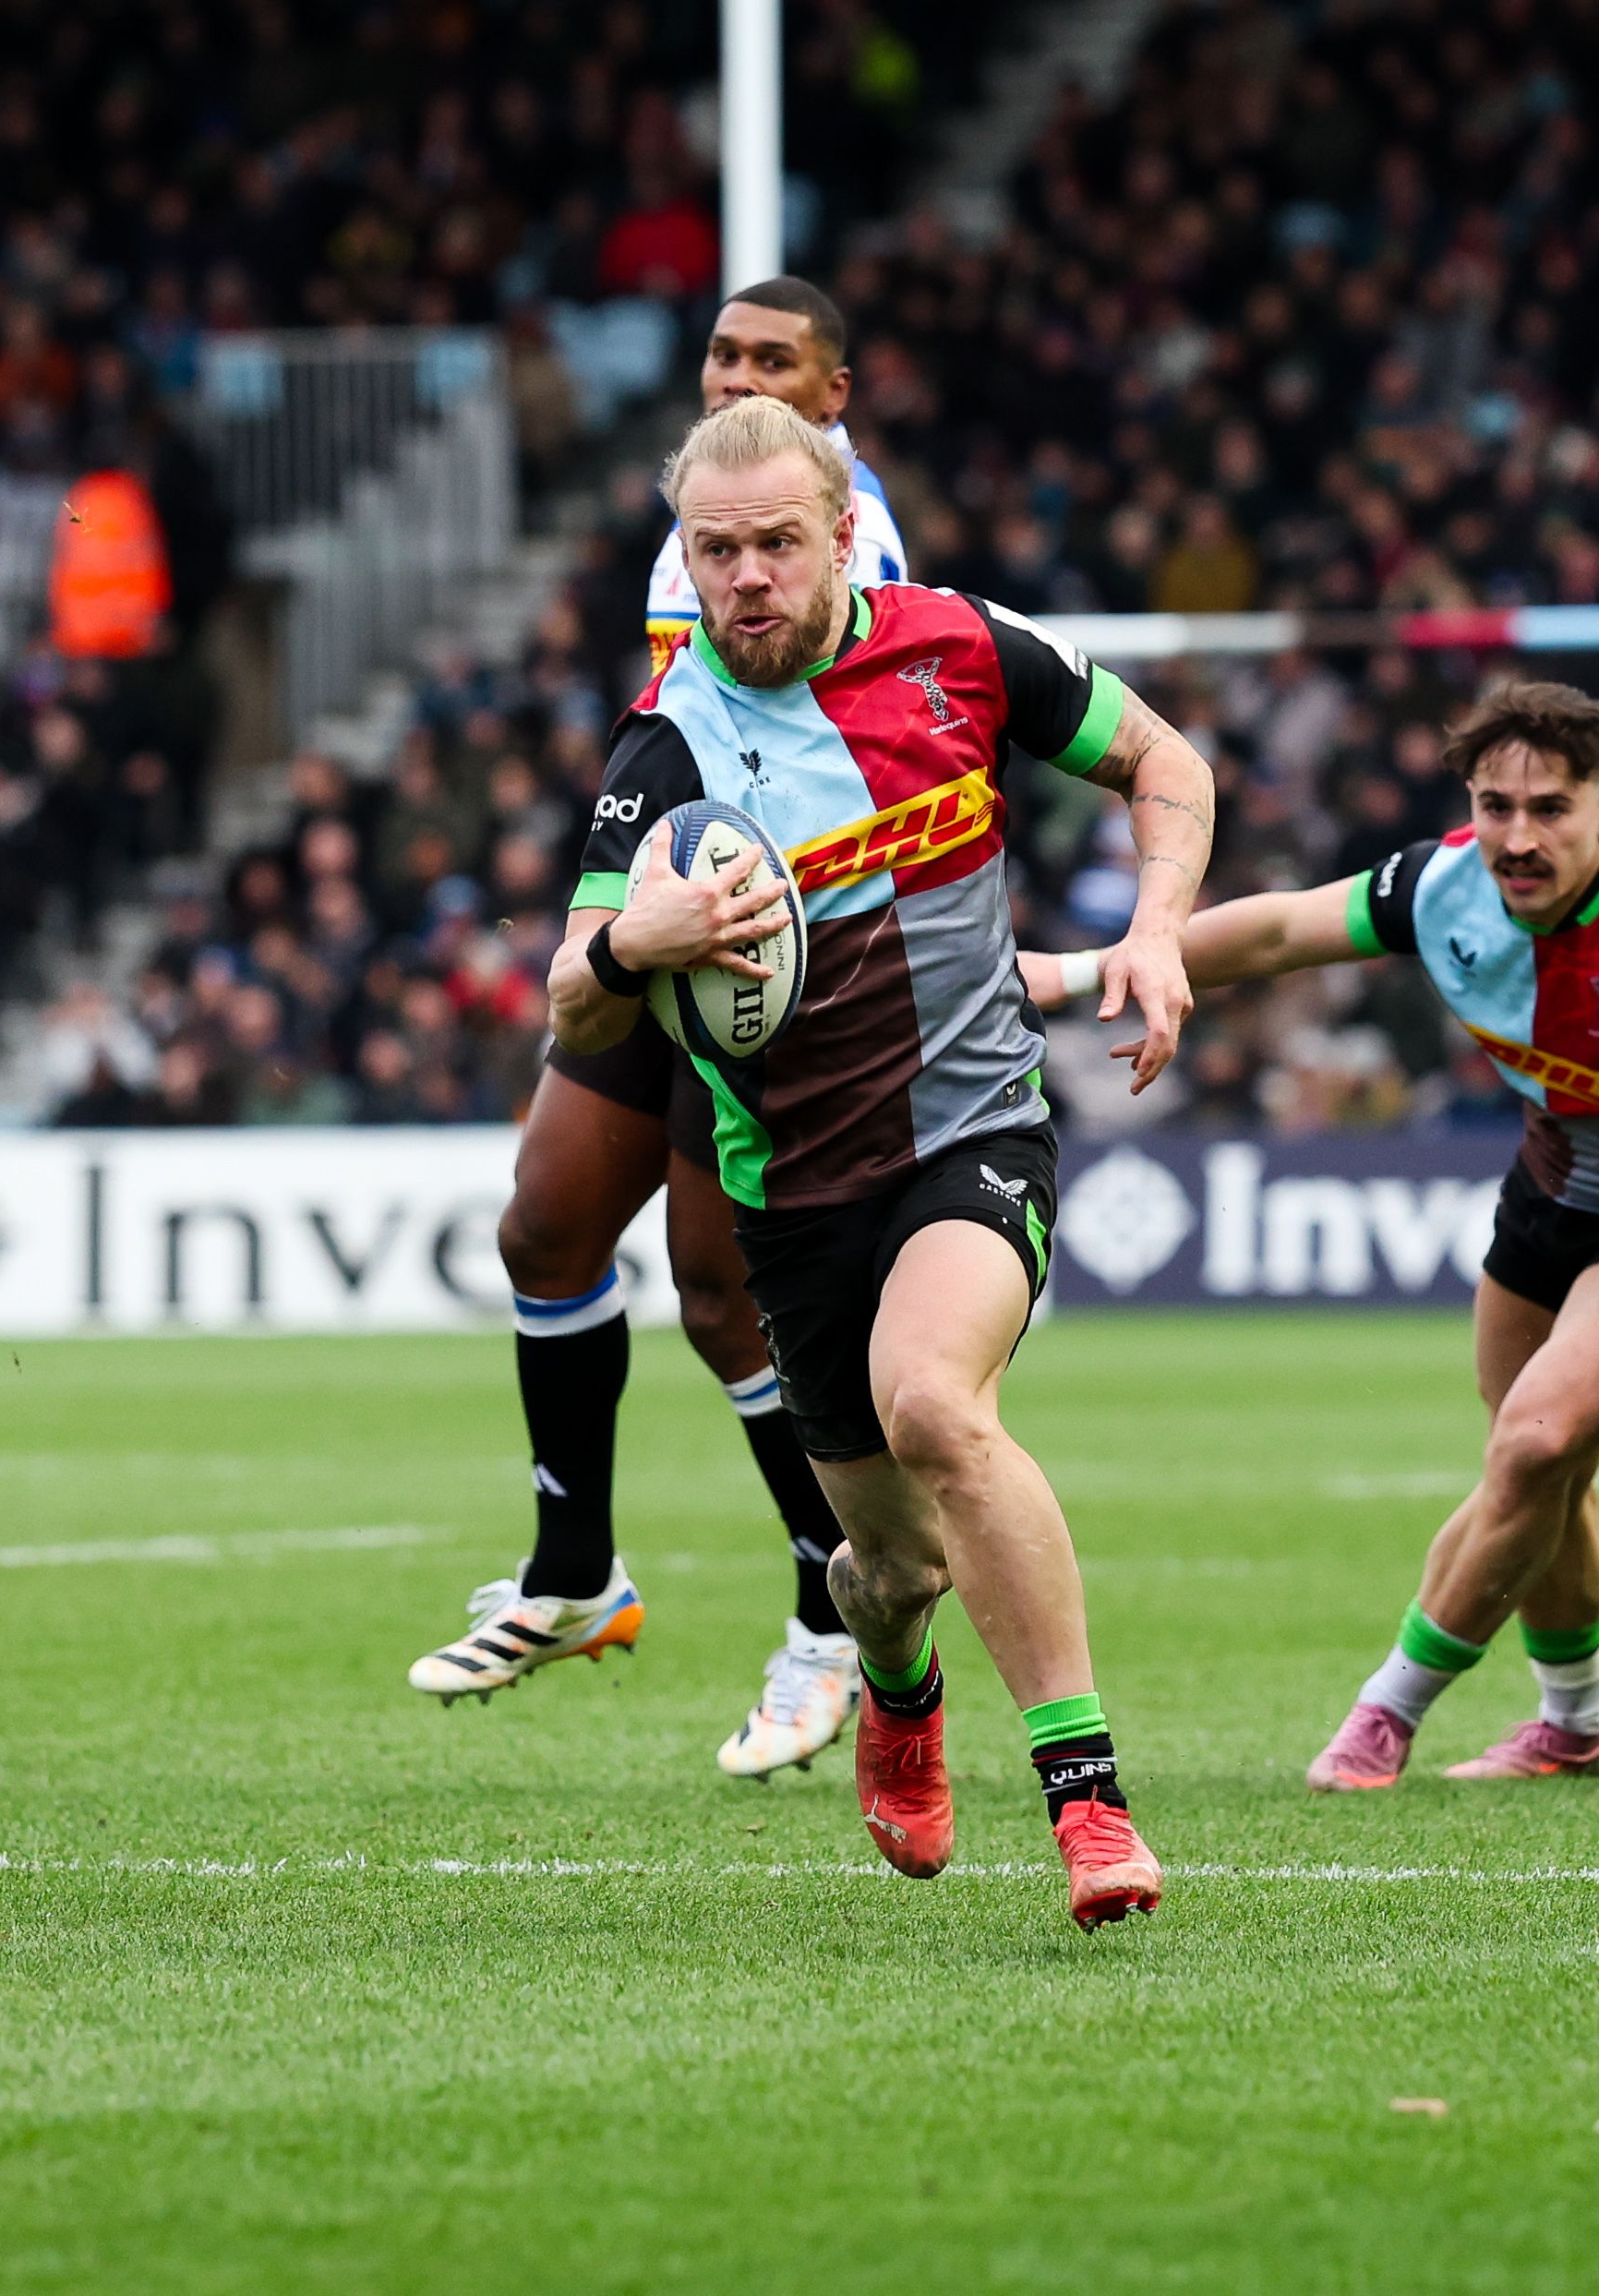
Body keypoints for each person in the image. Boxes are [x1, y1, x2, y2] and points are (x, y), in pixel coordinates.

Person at [555, 394, 1212, 1928]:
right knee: (887, 1566)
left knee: (937, 1400)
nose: (748, 578)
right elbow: (571, 992)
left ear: (843, 531)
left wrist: (1161, 928)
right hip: (793, 1200)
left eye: (778, 542)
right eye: (715, 552)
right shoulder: (664, 749)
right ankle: (897, 1686)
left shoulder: (965, 648)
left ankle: (1088, 1800)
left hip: (973, 1133)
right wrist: (629, 939)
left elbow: (1167, 766)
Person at [1028, 684, 1599, 1789]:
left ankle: (1383, 1717)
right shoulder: (1445, 880)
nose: (1516, 836)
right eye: (1494, 805)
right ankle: (1576, 1724)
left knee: (1536, 1445)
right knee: (1538, 1471)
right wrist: (1080, 974)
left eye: (1551, 807)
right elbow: (1274, 931)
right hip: (1547, 1191)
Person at [414, 278, 916, 1782]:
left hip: (769, 940)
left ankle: (833, 1612)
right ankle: (578, 1573)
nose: (735, 374)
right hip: (665, 903)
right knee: (547, 1224)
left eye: (773, 359)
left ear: (834, 394)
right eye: (722, 352)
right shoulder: (692, 514)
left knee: (721, 1296)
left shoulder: (850, 530)